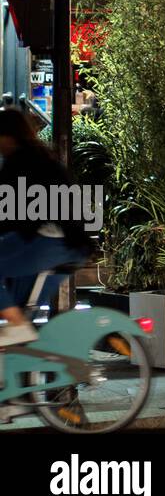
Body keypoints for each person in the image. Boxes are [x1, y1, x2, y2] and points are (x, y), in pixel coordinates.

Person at [0, 110, 93, 347]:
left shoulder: (22, 160)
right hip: (64, 242)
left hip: (54, 242)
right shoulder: (36, 156)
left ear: (8, 136)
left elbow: (10, 211)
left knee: (17, 319)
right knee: (16, 310)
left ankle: (20, 329)